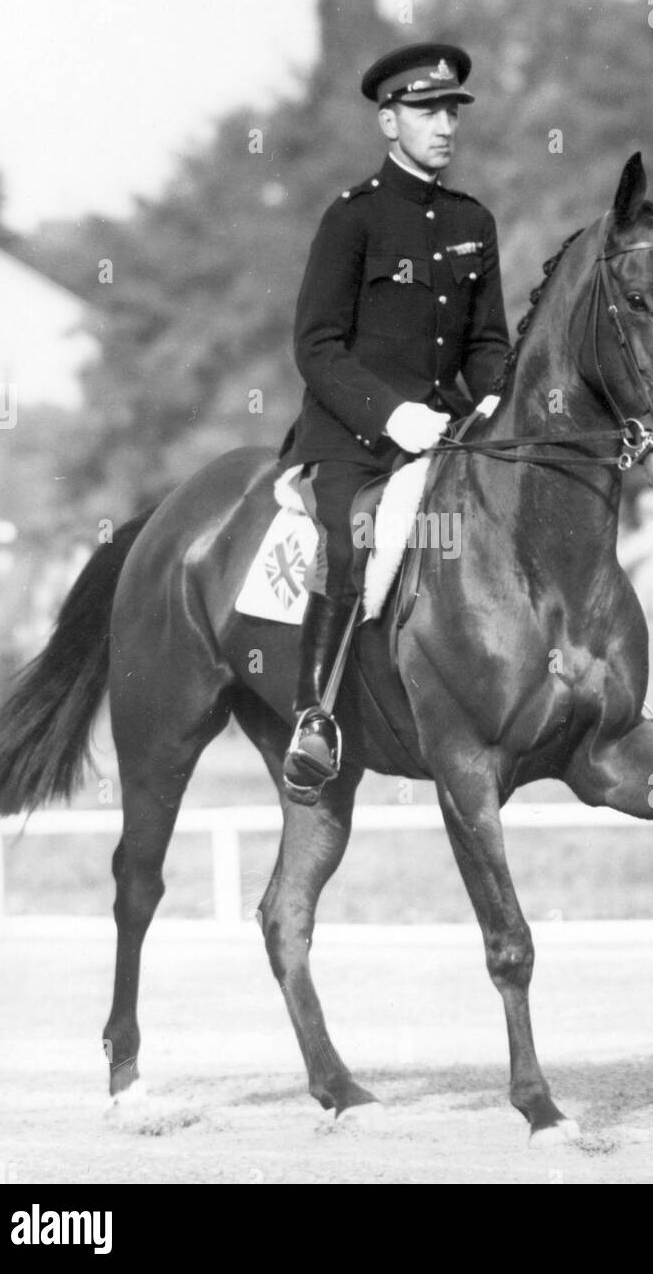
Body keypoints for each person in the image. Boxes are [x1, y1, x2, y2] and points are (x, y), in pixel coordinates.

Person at [277, 41, 510, 803]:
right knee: (353, 541)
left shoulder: (475, 220)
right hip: (354, 440)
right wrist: (392, 414)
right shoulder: (353, 219)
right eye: (426, 109)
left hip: (445, 435)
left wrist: (492, 403)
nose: (444, 124)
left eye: (452, 110)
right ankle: (313, 719)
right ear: (388, 120)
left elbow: (486, 344)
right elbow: (315, 346)